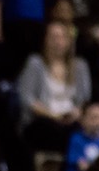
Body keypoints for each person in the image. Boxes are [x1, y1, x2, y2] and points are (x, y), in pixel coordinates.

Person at [17, 21, 89, 153]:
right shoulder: (35, 63)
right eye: (54, 37)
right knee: (52, 128)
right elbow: (26, 99)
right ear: (45, 40)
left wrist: (76, 113)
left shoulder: (79, 66)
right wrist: (54, 116)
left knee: (81, 129)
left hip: (70, 119)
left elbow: (84, 99)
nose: (58, 42)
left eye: (62, 37)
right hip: (42, 119)